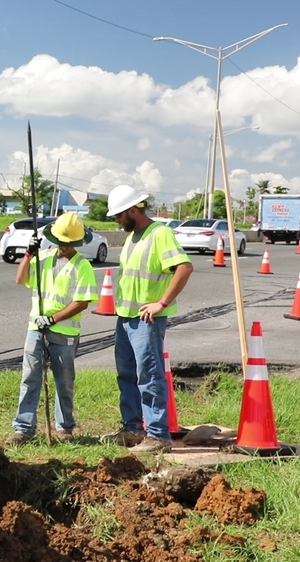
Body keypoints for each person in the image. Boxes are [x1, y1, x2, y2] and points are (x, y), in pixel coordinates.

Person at [99, 185, 193, 453]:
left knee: (149, 375)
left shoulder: (160, 234)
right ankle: (132, 428)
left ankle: (157, 435)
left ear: (132, 210)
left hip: (146, 320)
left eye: (118, 216)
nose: (116, 222)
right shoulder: (132, 237)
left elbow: (184, 267)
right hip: (126, 317)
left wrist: (162, 302)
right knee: (127, 374)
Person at [6, 212, 98, 445]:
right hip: (36, 328)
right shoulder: (43, 258)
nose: (64, 247)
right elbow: (20, 279)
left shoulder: (82, 266)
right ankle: (23, 429)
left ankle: (64, 427)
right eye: (61, 242)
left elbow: (82, 301)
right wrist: (28, 254)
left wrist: (54, 318)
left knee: (63, 381)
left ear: (76, 242)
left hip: (64, 333)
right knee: (30, 377)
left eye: (68, 243)